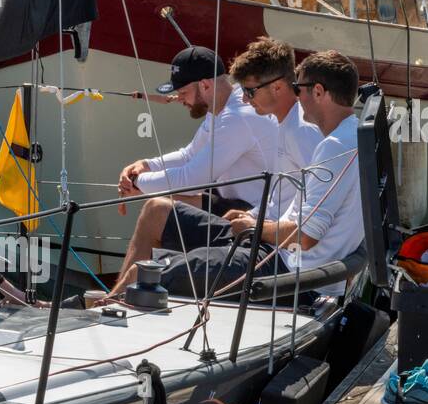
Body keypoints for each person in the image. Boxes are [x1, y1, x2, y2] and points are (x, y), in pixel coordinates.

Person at [107, 39, 321, 299]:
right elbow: (189, 154)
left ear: (205, 85)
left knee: (156, 209)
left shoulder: (239, 117)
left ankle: (116, 300)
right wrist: (146, 166)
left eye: (183, 93)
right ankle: (119, 295)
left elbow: (193, 177)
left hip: (255, 216)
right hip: (242, 208)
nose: (179, 100)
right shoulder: (219, 110)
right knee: (156, 209)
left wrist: (138, 184)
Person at [152, 51, 363, 302]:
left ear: (317, 92)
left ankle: (109, 313)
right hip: (286, 261)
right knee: (160, 228)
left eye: (298, 87)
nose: (295, 95)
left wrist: (253, 227)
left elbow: (305, 236)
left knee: (152, 272)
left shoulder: (335, 146)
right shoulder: (349, 137)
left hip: (290, 275)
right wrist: (252, 220)